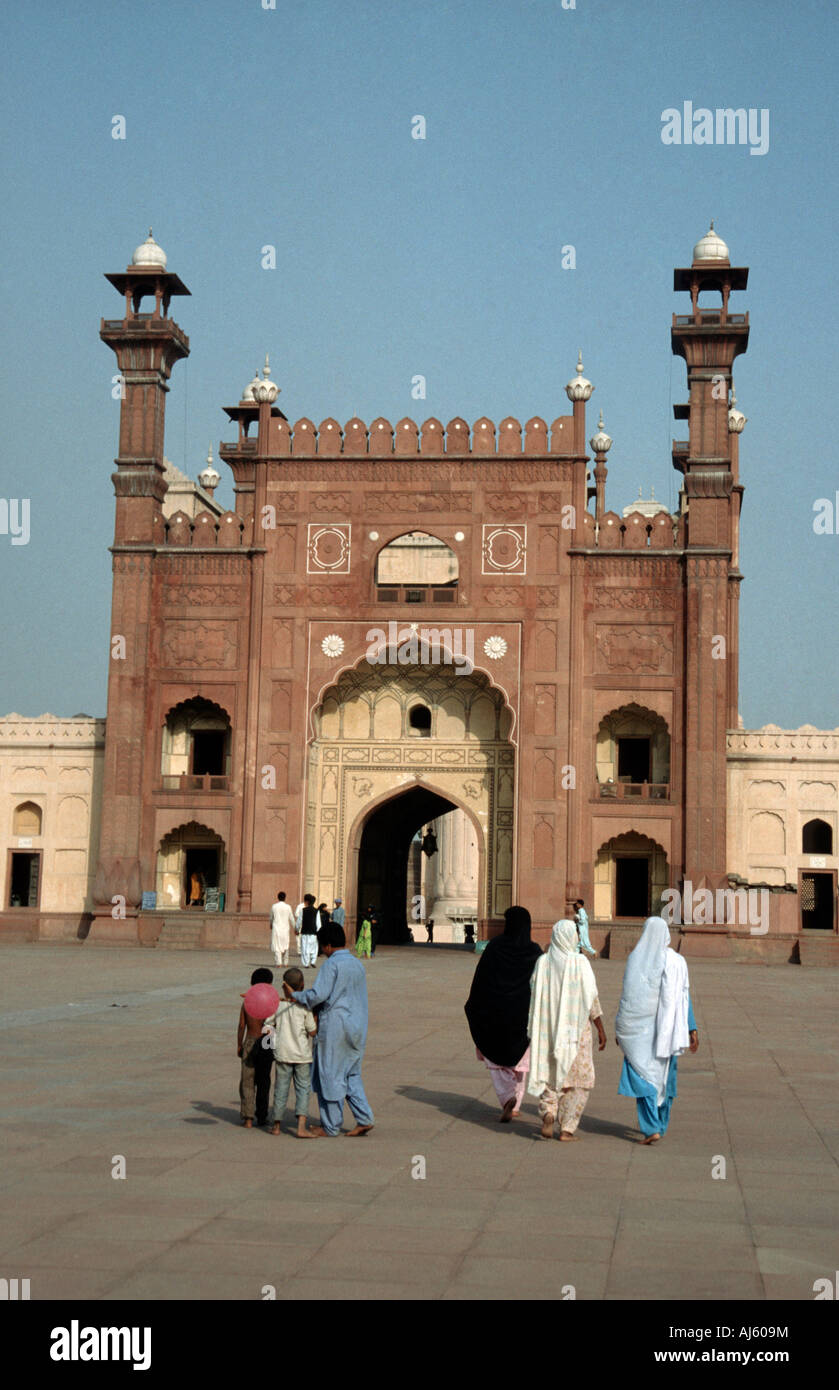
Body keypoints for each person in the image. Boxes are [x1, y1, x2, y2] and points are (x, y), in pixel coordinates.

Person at [283, 921, 374, 1137]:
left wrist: (295, 996)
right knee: (351, 1074)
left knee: (330, 1074)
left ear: (328, 945)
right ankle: (364, 1118)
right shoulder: (357, 964)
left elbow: (319, 995)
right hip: (357, 1026)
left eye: (322, 946)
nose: (322, 950)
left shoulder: (332, 965)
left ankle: (331, 1125)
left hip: (335, 1027)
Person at [615, 915, 699, 1145]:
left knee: (641, 1074)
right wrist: (691, 1027)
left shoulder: (635, 959)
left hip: (638, 1032)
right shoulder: (676, 961)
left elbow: (627, 998)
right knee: (664, 1077)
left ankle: (651, 1127)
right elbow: (683, 997)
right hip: (667, 1030)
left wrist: (622, 1028)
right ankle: (659, 1125)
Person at [527, 920, 607, 1141]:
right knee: (578, 1080)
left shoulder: (543, 962)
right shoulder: (580, 963)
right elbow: (591, 998)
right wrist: (600, 1029)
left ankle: (549, 1111)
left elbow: (533, 992)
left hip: (548, 1030)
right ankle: (567, 1128)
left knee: (550, 1074)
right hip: (576, 1031)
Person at [464, 904, 542, 1122]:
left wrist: (474, 1006)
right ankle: (516, 1104)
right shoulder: (534, 952)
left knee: (496, 1059)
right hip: (523, 1018)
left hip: (495, 1016)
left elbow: (480, 981)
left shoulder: (496, 947)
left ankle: (507, 1097)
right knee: (521, 1063)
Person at [264, 968, 318, 1138]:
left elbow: (267, 1025)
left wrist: (271, 1041)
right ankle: (301, 1127)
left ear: (284, 987)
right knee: (303, 1090)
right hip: (302, 1055)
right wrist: (315, 1018)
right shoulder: (305, 1007)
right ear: (302, 986)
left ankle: (276, 1126)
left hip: (283, 1053)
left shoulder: (277, 1005)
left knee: (281, 1089)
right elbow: (312, 1032)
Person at [237, 967, 275, 1128]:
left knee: (247, 1081)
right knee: (264, 1081)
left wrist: (239, 1044)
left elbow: (242, 1025)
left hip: (250, 1041)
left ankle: (248, 1118)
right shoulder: (272, 1002)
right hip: (266, 1042)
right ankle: (262, 1116)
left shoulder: (247, 1001)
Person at [270, 890, 295, 967]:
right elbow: (291, 918)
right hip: (285, 929)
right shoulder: (288, 907)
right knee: (285, 945)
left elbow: (271, 917)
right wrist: (295, 928)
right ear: (285, 898)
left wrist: (270, 924)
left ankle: (279, 963)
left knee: (277, 946)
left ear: (278, 897)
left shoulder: (274, 906)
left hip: (276, 928)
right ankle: (286, 962)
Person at [296, 894, 321, 969]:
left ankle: (306, 963)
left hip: (305, 932)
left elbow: (299, 921)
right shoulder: (317, 911)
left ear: (306, 901)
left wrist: (297, 929)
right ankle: (313, 961)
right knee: (314, 947)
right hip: (314, 932)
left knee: (305, 948)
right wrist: (318, 932)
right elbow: (318, 924)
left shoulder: (303, 910)